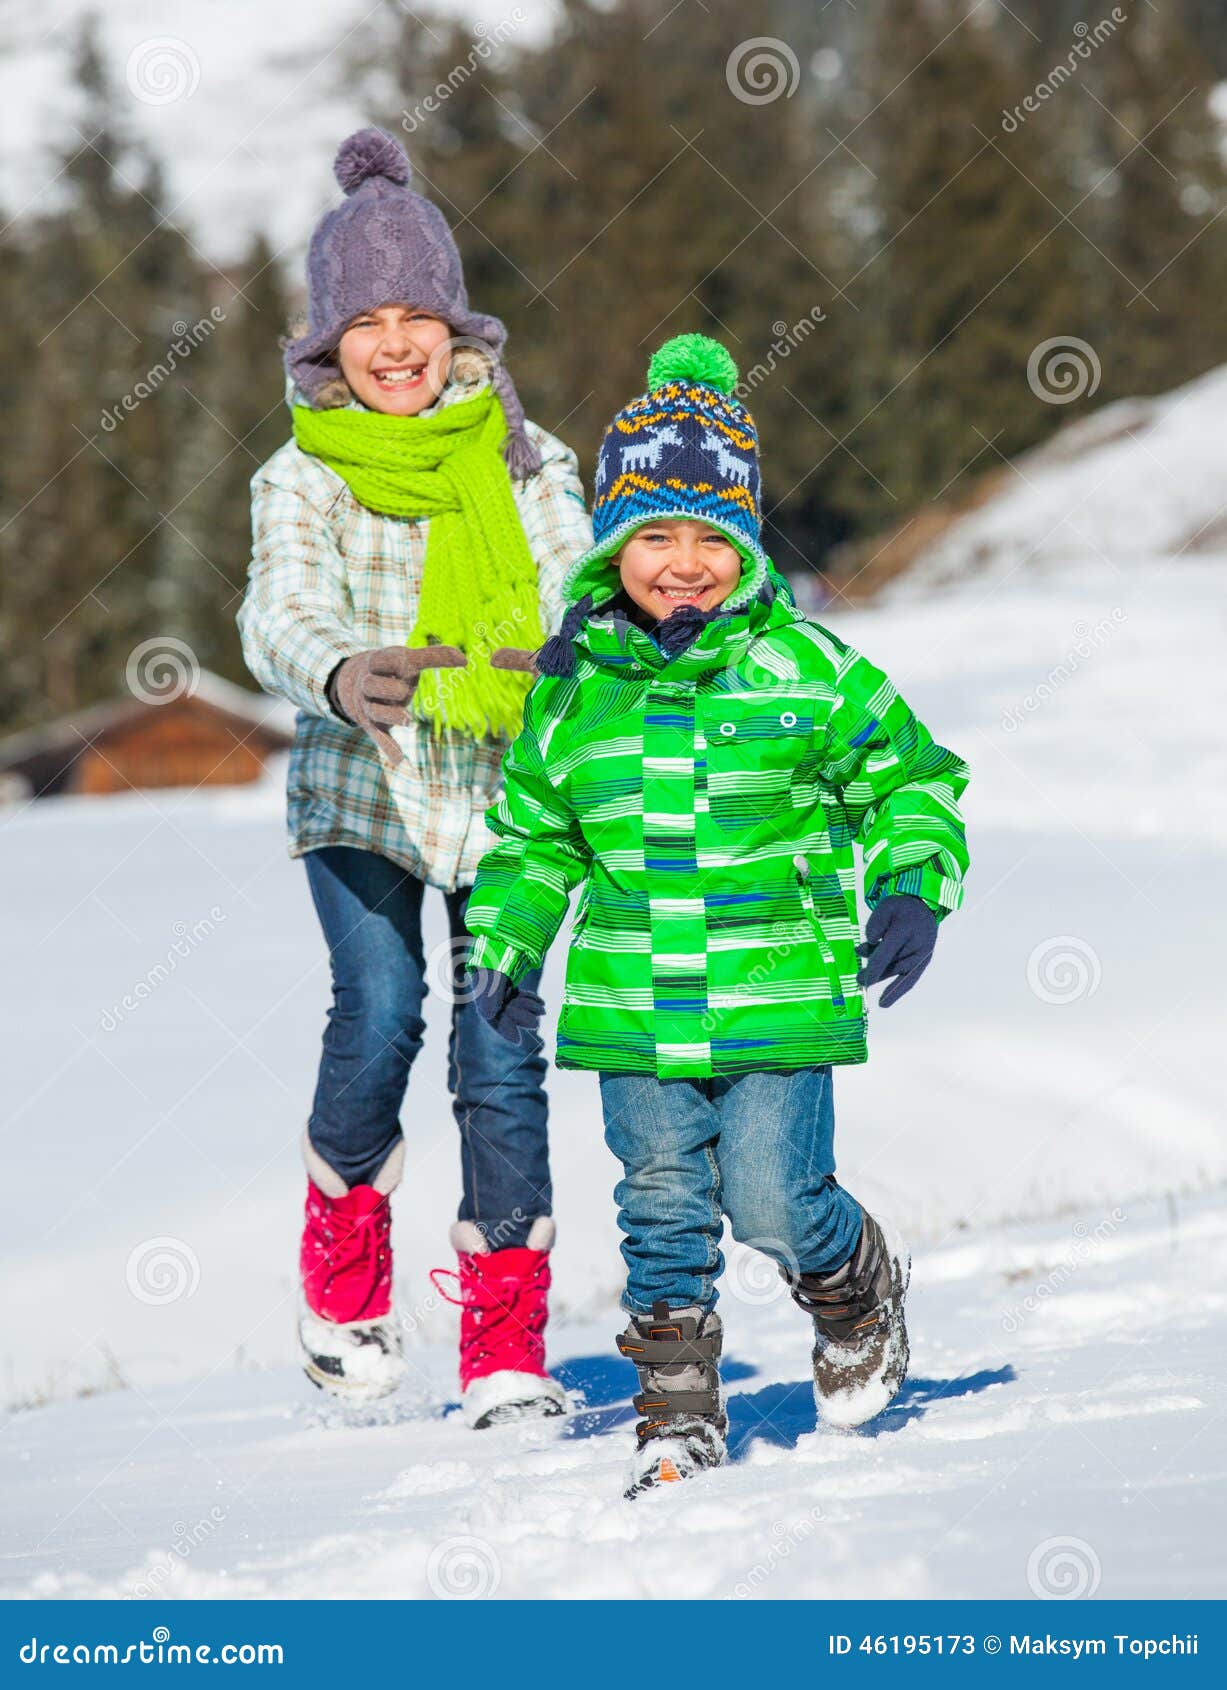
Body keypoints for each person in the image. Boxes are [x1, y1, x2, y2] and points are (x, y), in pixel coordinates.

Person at [463, 334, 969, 1494]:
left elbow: (909, 779)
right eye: (653, 536)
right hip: (634, 1004)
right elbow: (538, 837)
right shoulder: (574, 692)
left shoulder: (806, 668)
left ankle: (854, 1288)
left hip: (779, 994)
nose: (682, 563)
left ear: (744, 543)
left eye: (709, 538)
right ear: (611, 547)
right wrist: (506, 942)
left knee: (771, 1196)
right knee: (659, 1203)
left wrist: (910, 881)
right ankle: (679, 1413)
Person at [237, 127, 592, 1426]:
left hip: (499, 791)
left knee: (497, 1046)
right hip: (361, 791)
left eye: (415, 315)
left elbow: (574, 581)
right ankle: (343, 1235)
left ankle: (503, 1341)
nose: (394, 343)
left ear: (453, 327)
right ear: (328, 343)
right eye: (364, 320)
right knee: (381, 1011)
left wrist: (561, 653)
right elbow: (275, 611)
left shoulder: (522, 455)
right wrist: (338, 670)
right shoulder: (305, 472)